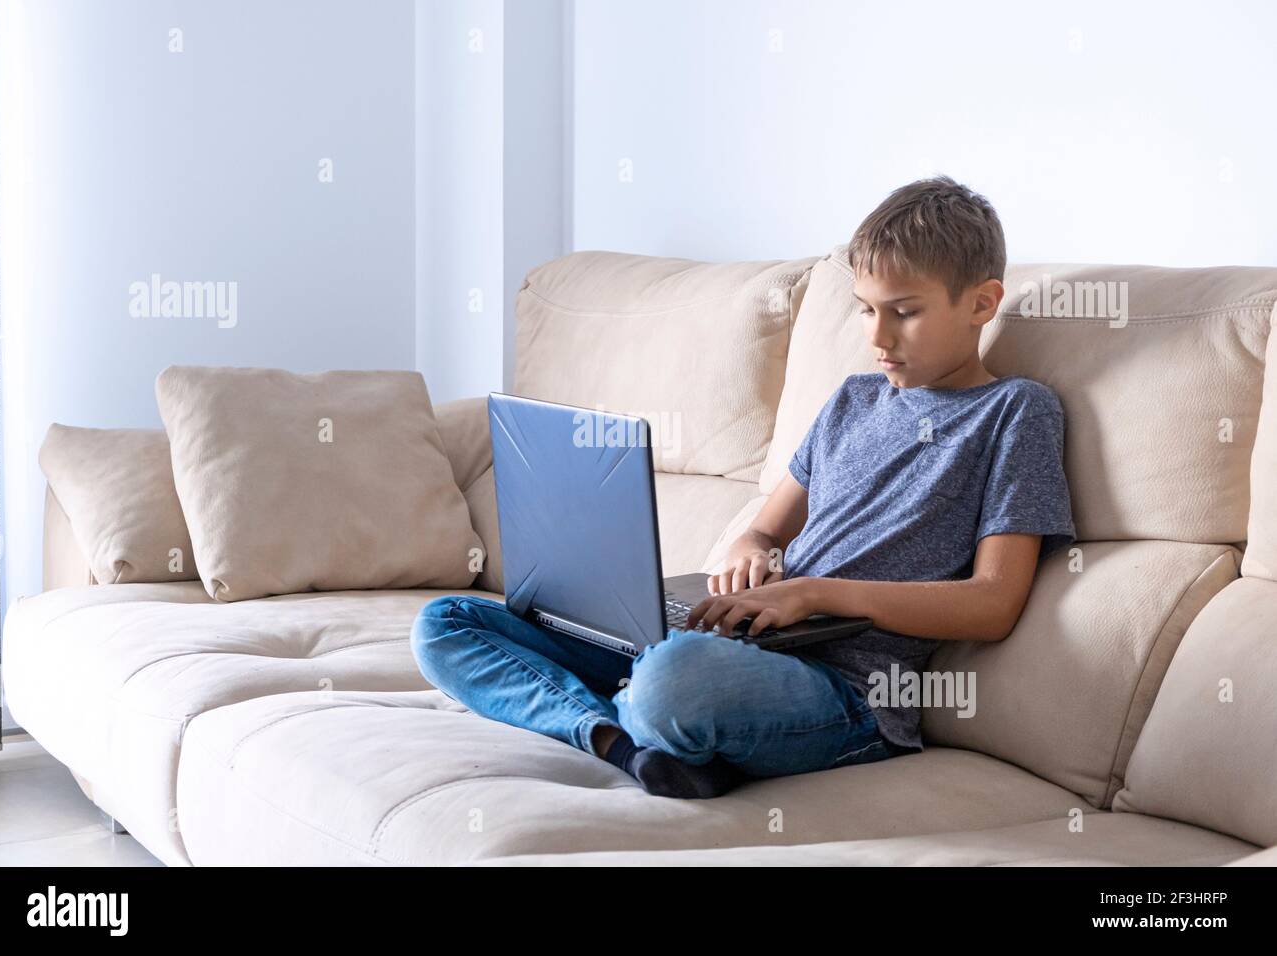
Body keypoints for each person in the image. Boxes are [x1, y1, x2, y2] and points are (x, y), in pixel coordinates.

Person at [411, 175, 1076, 799]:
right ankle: (621, 742)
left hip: (844, 689)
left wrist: (810, 592)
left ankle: (645, 710)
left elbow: (993, 603)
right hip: (745, 642)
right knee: (446, 623)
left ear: (983, 303)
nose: (877, 337)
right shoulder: (853, 399)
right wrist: (749, 551)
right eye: (865, 310)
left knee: (672, 683)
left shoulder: (1015, 411)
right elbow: (766, 527)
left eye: (904, 312)